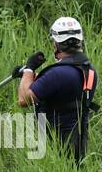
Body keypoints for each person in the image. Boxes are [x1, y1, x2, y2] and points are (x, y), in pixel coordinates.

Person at [15, 16, 97, 162]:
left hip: (53, 145)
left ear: (57, 44)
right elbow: (55, 84)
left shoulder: (57, 73)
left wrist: (29, 69)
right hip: (79, 140)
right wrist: (27, 74)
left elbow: (24, 99)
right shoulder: (88, 70)